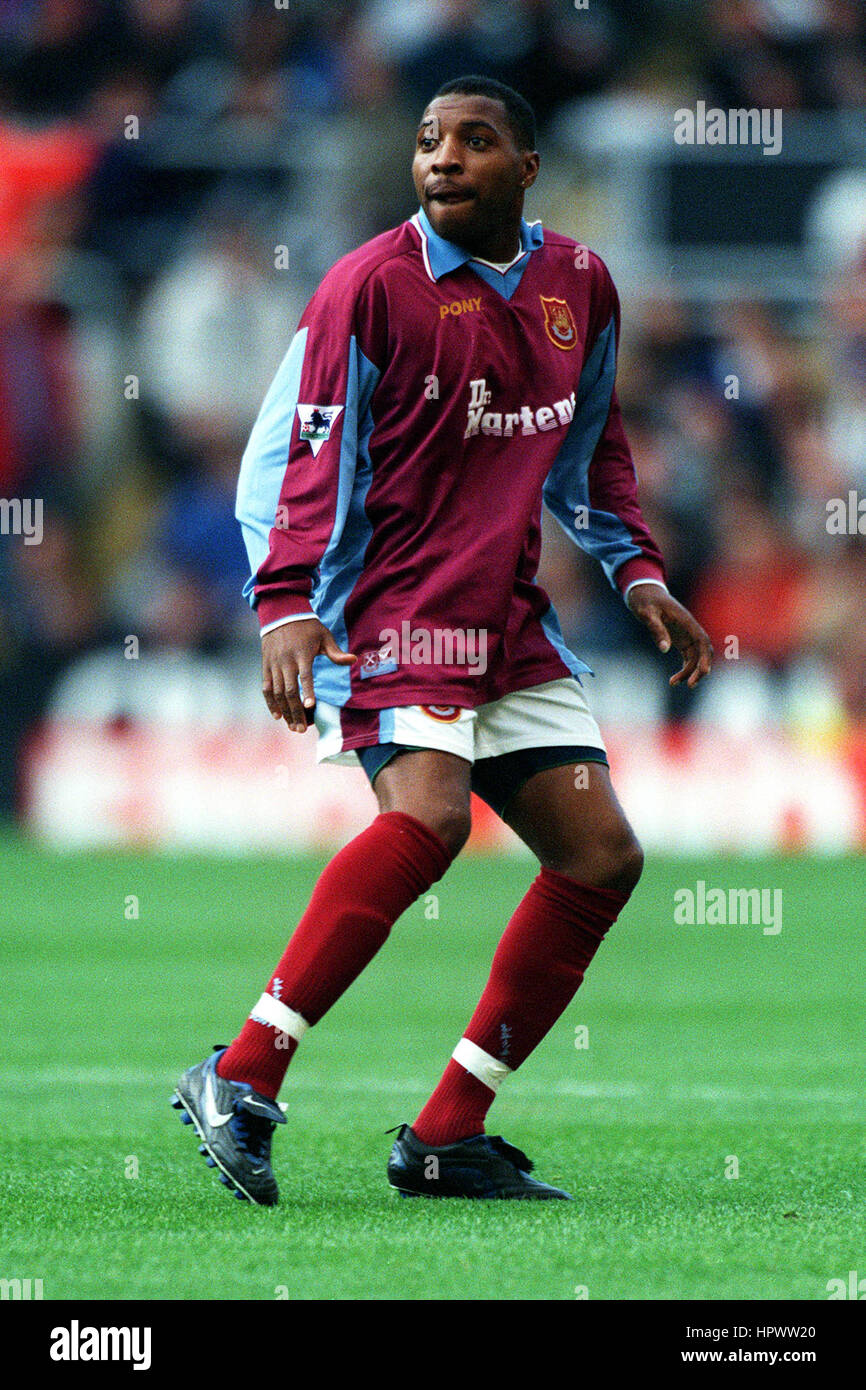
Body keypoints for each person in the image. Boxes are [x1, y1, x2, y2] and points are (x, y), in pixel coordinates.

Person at [172, 75, 712, 1205]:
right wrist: (284, 601)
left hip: (507, 613)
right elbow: (305, 458)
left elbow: (591, 451)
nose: (443, 159)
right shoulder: (369, 288)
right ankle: (241, 1072)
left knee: (599, 856)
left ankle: (444, 1132)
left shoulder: (578, 286)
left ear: (526, 168)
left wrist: (638, 569)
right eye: (427, 142)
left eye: (473, 141)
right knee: (424, 817)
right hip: (394, 600)